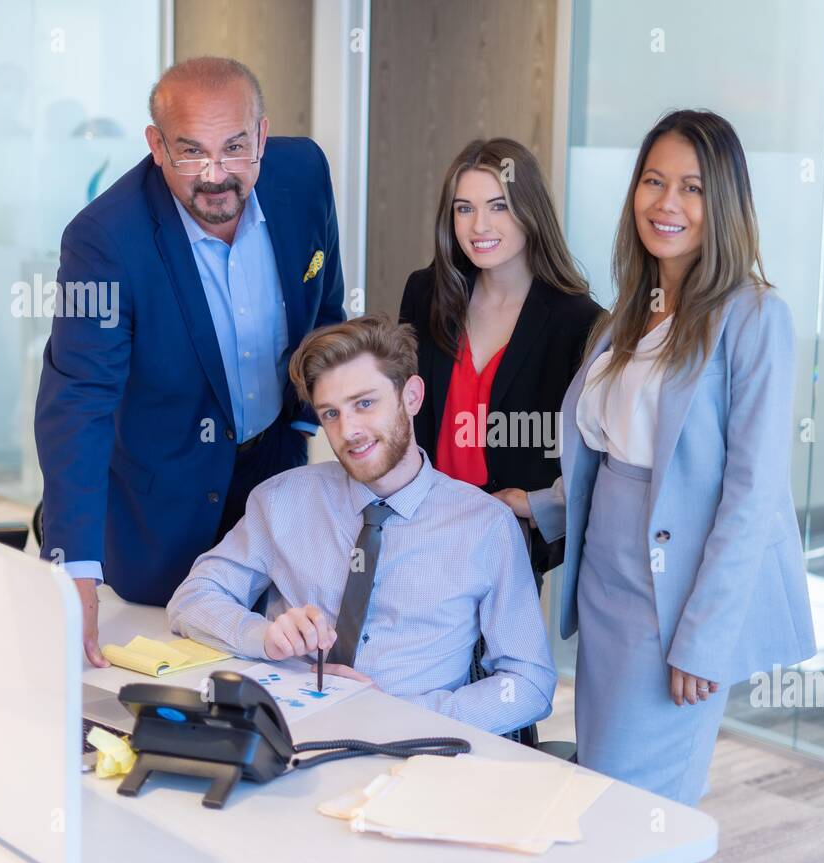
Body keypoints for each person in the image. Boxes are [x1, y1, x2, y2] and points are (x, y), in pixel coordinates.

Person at [497, 109, 816, 804]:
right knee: (600, 786)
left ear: (725, 202)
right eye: (653, 181)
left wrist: (704, 638)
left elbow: (751, 492)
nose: (667, 203)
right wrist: (542, 504)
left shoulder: (755, 317)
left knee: (636, 804)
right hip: (605, 588)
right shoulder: (628, 317)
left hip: (672, 602)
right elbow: (618, 461)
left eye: (693, 188)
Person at [35, 57, 344, 667]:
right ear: (155, 145)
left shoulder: (304, 174)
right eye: (190, 152)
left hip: (277, 478)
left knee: (284, 666)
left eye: (233, 149)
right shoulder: (103, 240)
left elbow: (326, 307)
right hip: (161, 511)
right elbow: (78, 403)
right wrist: (75, 573)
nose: (214, 175)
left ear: (261, 135)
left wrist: (308, 425)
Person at [167, 315, 556, 736]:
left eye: (364, 404)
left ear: (411, 396)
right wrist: (264, 635)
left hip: (413, 754)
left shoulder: (485, 525)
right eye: (330, 413)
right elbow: (192, 598)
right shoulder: (281, 500)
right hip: (293, 735)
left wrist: (409, 716)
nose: (348, 430)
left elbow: (529, 684)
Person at [398, 138, 600, 578]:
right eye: (464, 209)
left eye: (498, 206)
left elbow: (590, 454)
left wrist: (536, 504)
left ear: (530, 211)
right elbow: (404, 410)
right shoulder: (426, 292)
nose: (479, 226)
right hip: (422, 524)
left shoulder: (578, 321)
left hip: (509, 536)